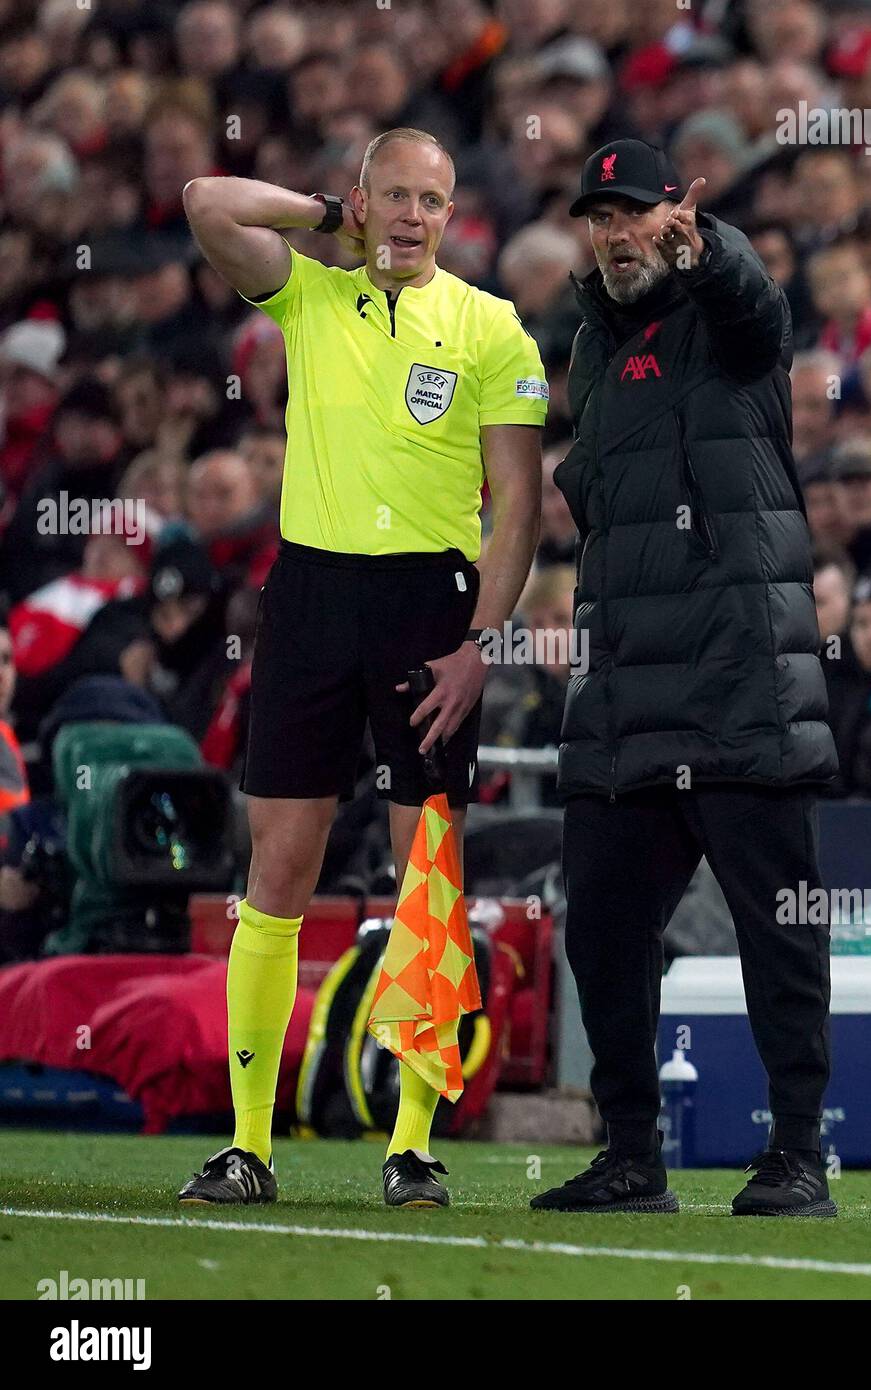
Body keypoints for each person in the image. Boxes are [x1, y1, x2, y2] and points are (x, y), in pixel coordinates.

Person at [176, 127, 545, 1210]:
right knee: (274, 876)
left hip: (426, 607)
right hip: (310, 599)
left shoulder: (490, 327)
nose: (410, 217)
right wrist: (311, 214)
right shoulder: (312, 296)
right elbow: (205, 200)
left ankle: (412, 1144)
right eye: (392, 197)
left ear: (451, 213)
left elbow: (518, 501)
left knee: (424, 876)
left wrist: (480, 638)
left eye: (430, 200)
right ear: (360, 201)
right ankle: (248, 1145)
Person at [532, 139, 839, 1218]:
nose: (617, 235)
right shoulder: (590, 350)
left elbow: (757, 308)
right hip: (622, 693)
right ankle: (629, 1155)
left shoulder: (729, 311)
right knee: (603, 929)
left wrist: (704, 252)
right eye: (598, 219)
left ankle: (798, 1153)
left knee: (779, 925)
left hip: (742, 678)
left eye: (634, 214)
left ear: (674, 216)